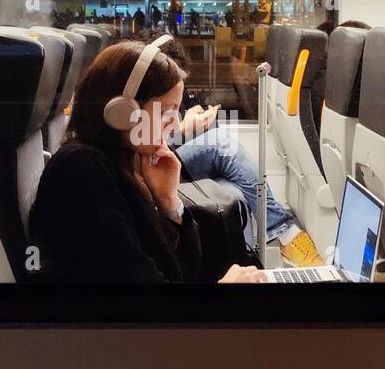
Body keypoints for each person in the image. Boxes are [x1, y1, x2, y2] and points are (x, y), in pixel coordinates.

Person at [28, 40, 266, 284]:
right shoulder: (82, 170)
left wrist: (169, 204)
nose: (174, 126)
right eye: (166, 113)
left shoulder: (122, 162)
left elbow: (182, 273)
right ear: (122, 111)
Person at [156, 36, 323, 266]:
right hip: (161, 167)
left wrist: (188, 121)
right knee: (221, 142)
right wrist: (184, 129)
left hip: (171, 157)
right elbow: (152, 147)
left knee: (234, 193)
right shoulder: (137, 108)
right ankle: (283, 231)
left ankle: (243, 265)